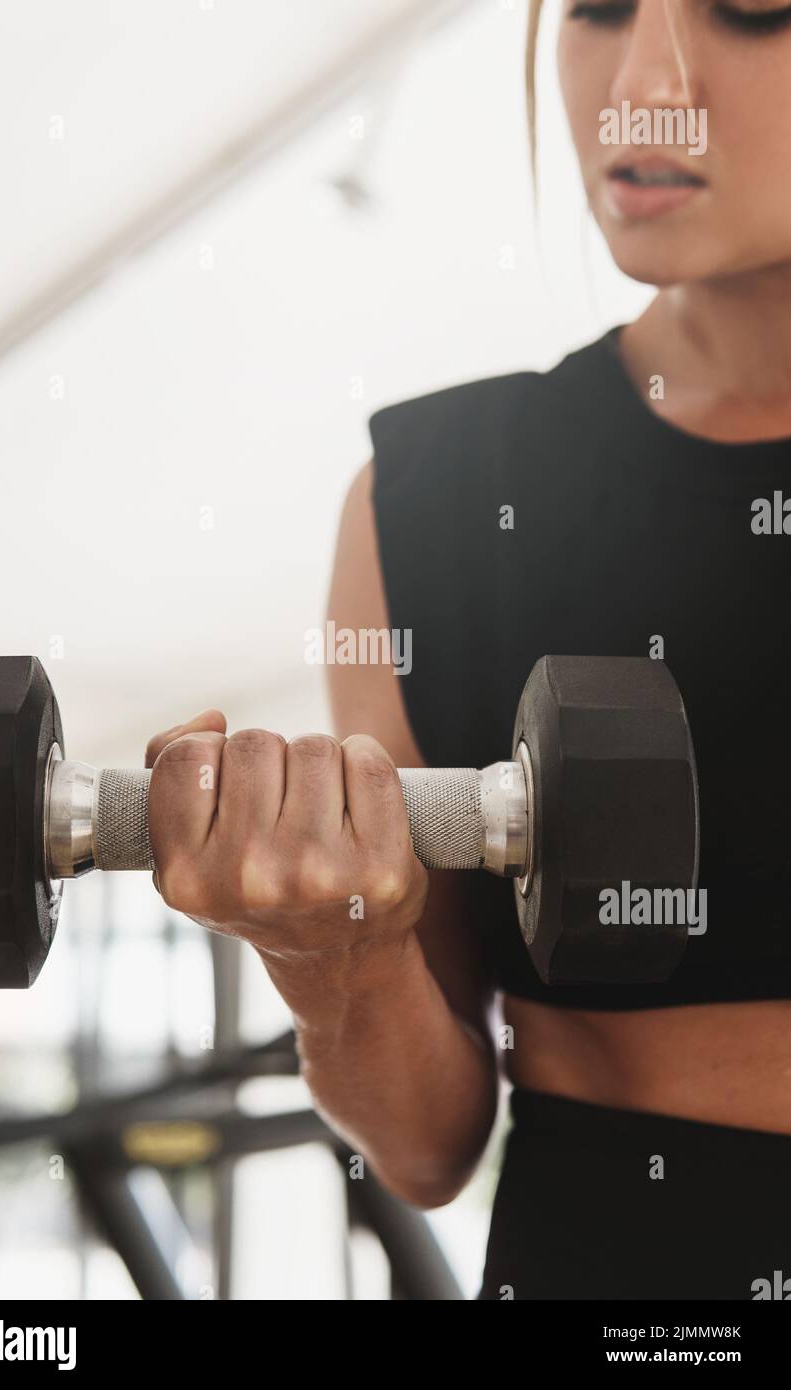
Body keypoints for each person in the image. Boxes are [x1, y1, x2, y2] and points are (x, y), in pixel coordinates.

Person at [145, 0, 791, 1298]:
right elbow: (427, 1143)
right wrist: (337, 956)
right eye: (599, 8)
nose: (644, 84)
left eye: (753, 11)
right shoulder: (434, 500)